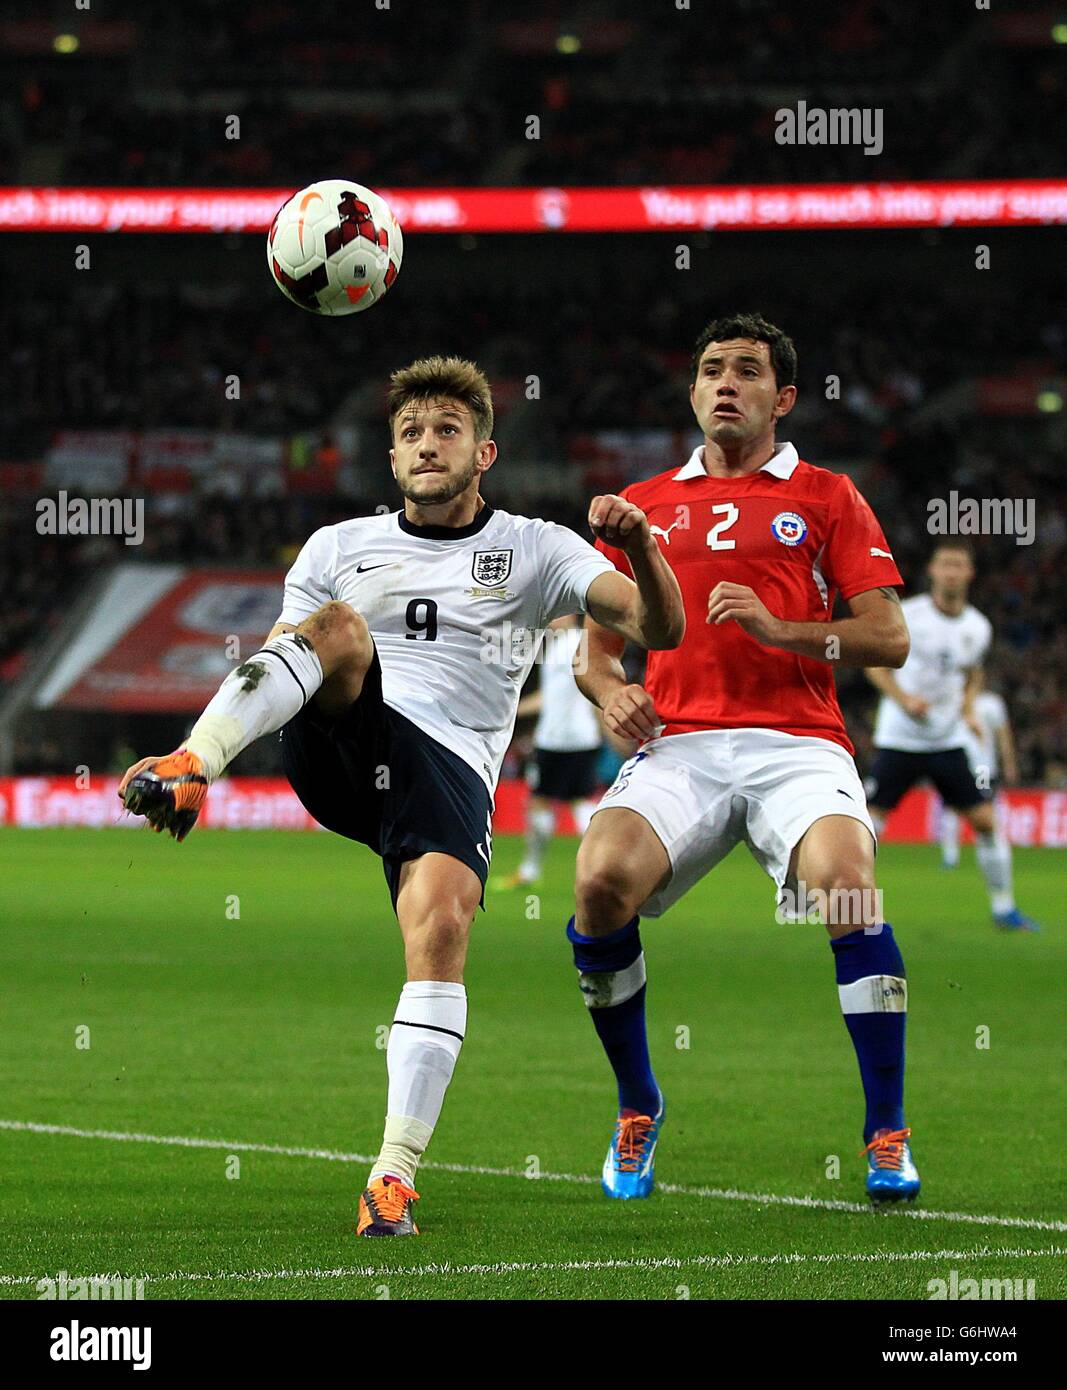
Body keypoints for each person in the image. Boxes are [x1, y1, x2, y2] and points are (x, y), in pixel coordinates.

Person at [118, 356, 684, 1237]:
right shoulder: (337, 547)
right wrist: (217, 736)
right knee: (337, 627)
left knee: (443, 929)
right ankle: (193, 766)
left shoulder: (538, 547)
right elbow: (281, 659)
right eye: (411, 434)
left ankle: (392, 1178)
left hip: (449, 771)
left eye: (446, 431)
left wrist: (644, 548)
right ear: (390, 459)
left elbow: (660, 626)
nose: (427, 446)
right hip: (344, 739)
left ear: (484, 451)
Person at [564, 312, 920, 1205]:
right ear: (691, 393)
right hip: (677, 743)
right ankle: (639, 1101)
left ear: (783, 397)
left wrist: (782, 629)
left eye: (748, 371)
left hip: (796, 741)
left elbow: (887, 638)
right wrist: (610, 694)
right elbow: (593, 651)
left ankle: (885, 1131)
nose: (727, 382)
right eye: (712, 369)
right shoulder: (639, 506)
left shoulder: (828, 495)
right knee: (599, 884)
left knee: (846, 880)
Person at [866, 543, 1039, 931]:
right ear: (932, 569)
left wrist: (967, 709)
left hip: (947, 740)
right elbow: (875, 664)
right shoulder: (908, 615)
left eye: (959, 565)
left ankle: (1004, 908)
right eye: (945, 564)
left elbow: (973, 673)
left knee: (985, 821)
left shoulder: (978, 627)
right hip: (900, 738)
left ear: (969, 574)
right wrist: (903, 699)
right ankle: (848, 907)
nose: (951, 572)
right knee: (867, 824)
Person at [496, 615, 604, 889]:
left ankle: (531, 871)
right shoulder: (568, 644)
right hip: (582, 736)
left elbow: (568, 696)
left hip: (558, 738)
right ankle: (600, 869)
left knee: (541, 800)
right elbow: (553, 696)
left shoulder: (571, 645)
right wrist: (514, 709)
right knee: (580, 800)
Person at [939, 682, 1016, 870]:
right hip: (959, 764)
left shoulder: (992, 704)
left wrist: (1009, 763)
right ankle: (950, 857)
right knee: (951, 808)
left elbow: (1002, 735)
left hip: (983, 767)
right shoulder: (952, 700)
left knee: (985, 809)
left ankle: (988, 853)